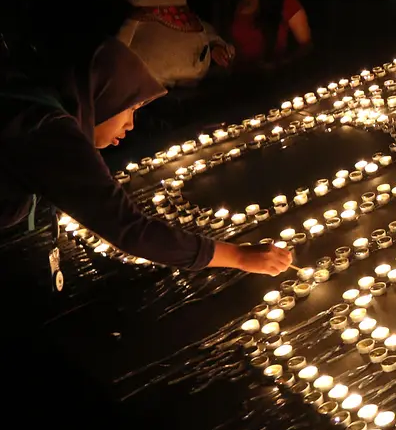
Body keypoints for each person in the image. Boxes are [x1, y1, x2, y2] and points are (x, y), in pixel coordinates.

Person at [0, 38, 291, 275]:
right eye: (131, 108)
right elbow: (129, 228)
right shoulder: (48, 132)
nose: (130, 124)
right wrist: (239, 256)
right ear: (103, 94)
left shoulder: (34, 107)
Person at [117, 0, 233, 87]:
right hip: (152, 83)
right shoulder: (139, 17)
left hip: (190, 77)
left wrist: (216, 46)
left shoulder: (185, 16)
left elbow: (206, 33)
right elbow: (119, 47)